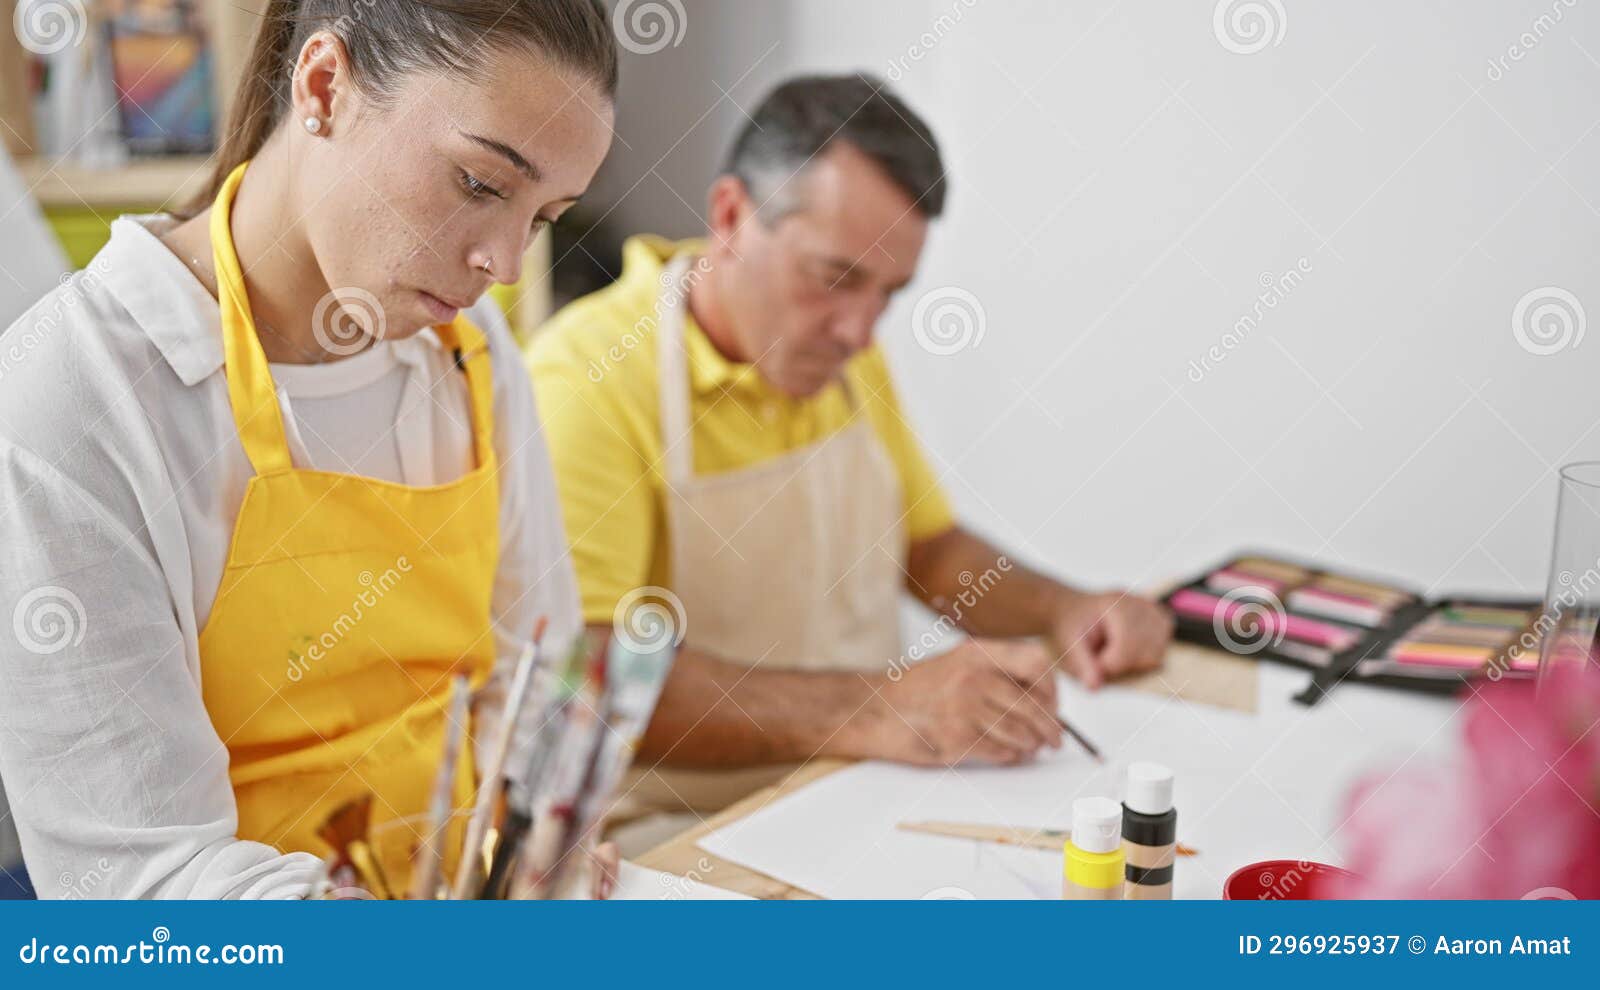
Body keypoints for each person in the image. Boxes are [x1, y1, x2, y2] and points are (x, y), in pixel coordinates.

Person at [0, 0, 617, 899]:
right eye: (482, 185)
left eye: (543, 216)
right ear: (324, 85)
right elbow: (144, 884)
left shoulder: (472, 357)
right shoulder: (72, 400)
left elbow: (539, 677)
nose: (506, 264)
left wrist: (539, 839)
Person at [527, 74, 1175, 820]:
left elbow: (928, 551)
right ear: (733, 216)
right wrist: (883, 707)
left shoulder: (837, 350)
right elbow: (591, 678)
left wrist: (1067, 609)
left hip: (847, 798)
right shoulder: (588, 380)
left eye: (890, 293)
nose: (860, 332)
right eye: (835, 279)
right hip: (674, 838)